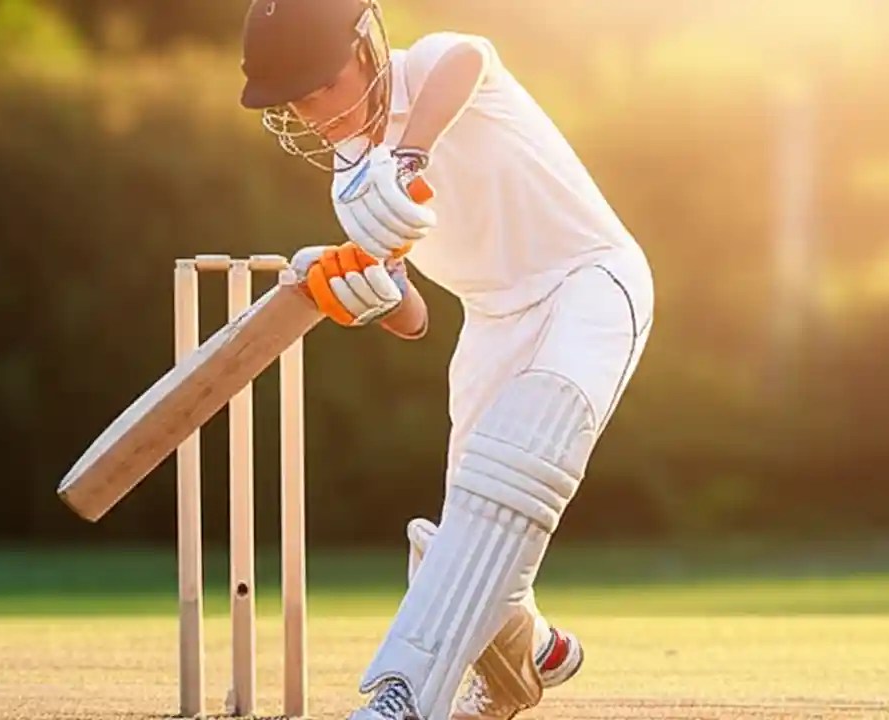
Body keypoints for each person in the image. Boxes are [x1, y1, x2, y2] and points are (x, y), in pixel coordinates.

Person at [238, 1, 654, 718]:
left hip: (591, 278)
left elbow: (473, 56)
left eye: (323, 86)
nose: (315, 114)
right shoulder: (350, 180)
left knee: (527, 448)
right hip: (492, 324)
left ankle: (404, 694)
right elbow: (416, 317)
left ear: (365, 50)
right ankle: (532, 655)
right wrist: (368, 294)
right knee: (474, 522)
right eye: (296, 102)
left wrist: (410, 155)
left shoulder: (432, 68)